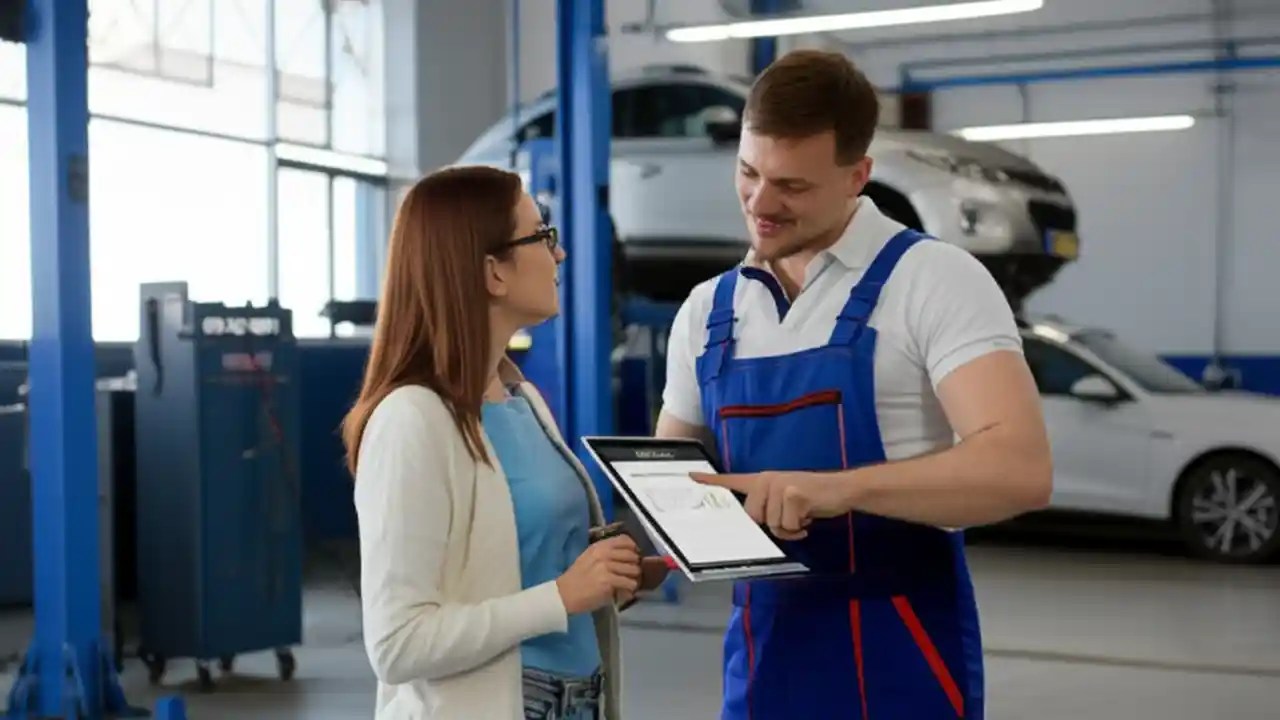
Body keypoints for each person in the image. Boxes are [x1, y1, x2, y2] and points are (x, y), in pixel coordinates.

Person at [655, 50, 1054, 719]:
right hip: (761, 658)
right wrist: (648, 547)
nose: (760, 203)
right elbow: (675, 482)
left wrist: (836, 489)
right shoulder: (706, 312)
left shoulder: (932, 279)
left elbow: (1020, 467)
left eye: (792, 186)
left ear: (857, 175)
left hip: (902, 653)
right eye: (748, 173)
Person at [342, 165, 664, 720]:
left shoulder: (520, 398)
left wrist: (610, 575)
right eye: (542, 236)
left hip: (578, 697)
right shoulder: (410, 421)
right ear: (493, 271)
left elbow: (532, 565)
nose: (558, 255)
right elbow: (397, 645)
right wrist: (562, 597)